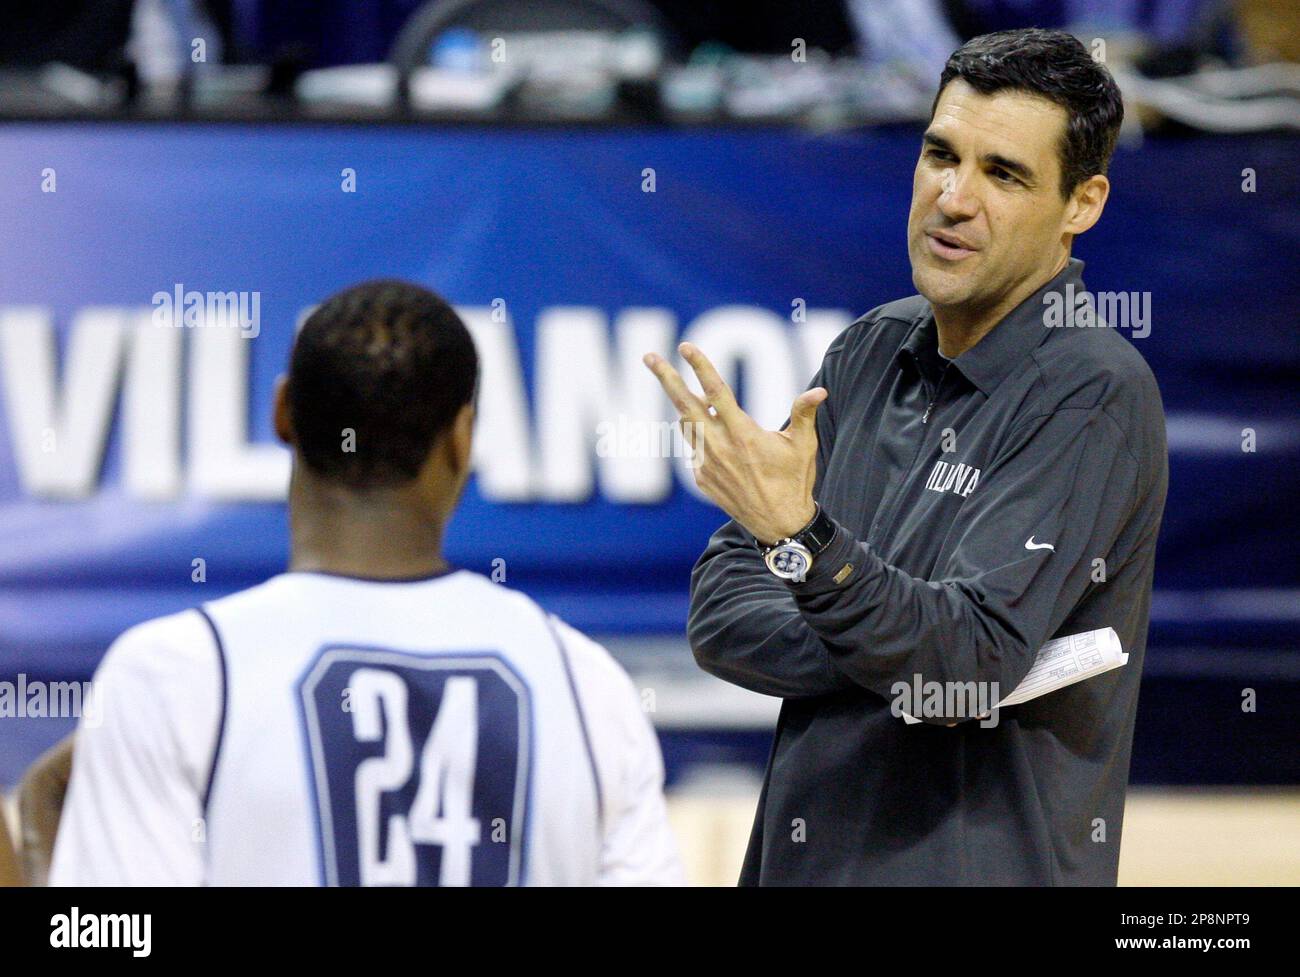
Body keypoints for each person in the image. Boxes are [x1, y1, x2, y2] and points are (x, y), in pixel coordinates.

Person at [645, 28, 1167, 884]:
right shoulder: (865, 351)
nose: (954, 198)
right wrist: (883, 645)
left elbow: (966, 660)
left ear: (1083, 203)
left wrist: (807, 547)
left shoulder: (1094, 390)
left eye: (1003, 174)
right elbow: (721, 614)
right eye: (939, 154)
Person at [52, 279, 683, 886]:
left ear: (281, 413)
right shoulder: (588, 682)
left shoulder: (171, 673)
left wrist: (25, 850)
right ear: (462, 439)